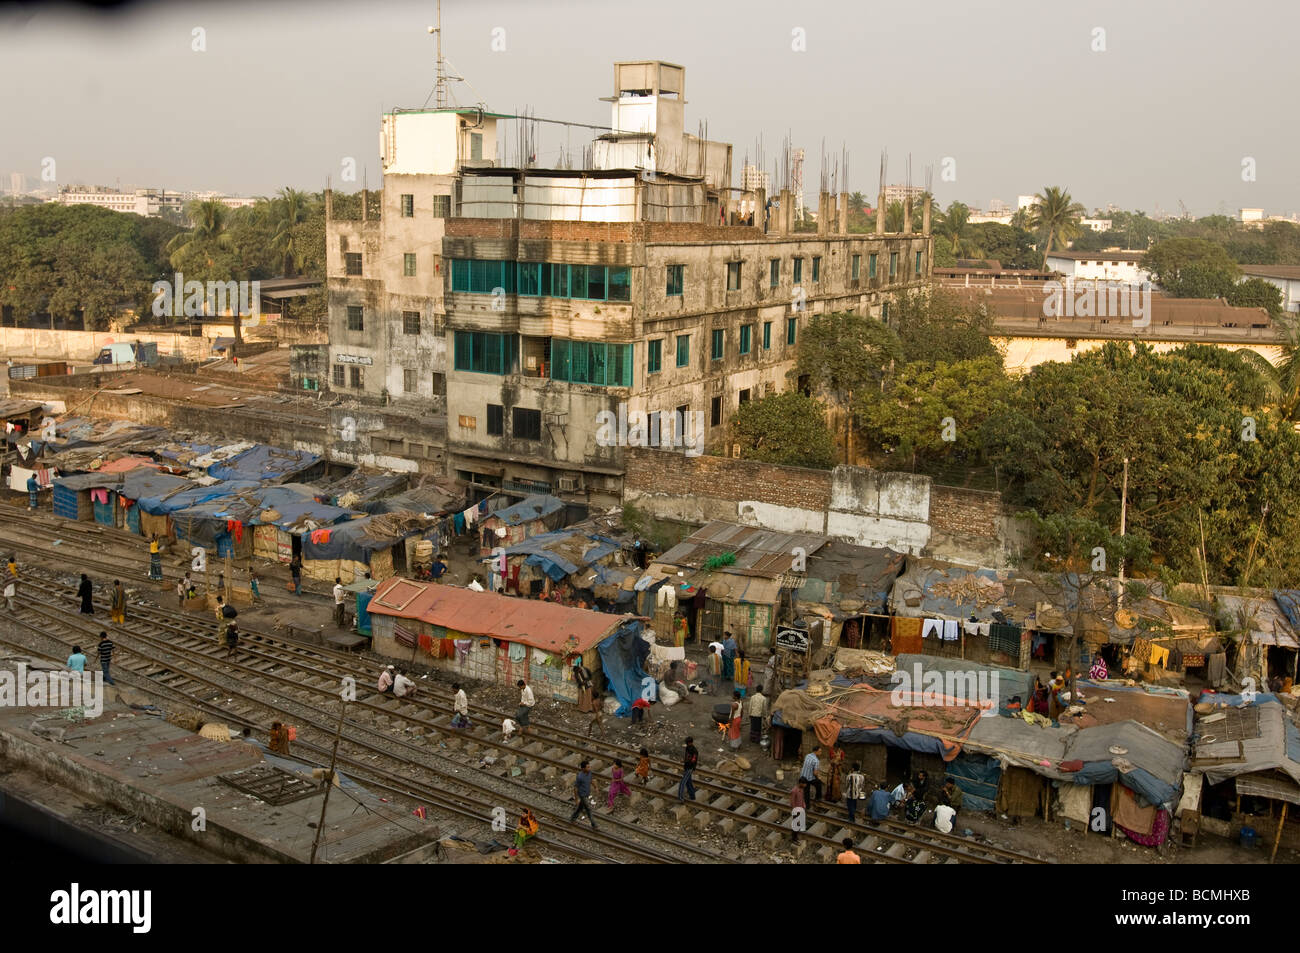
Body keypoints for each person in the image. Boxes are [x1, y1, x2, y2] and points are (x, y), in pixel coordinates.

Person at [569, 760, 597, 829]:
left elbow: (591, 780)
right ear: (583, 768)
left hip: (587, 793)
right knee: (588, 809)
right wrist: (576, 799)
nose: (589, 768)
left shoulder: (589, 773)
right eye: (587, 767)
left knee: (580, 808)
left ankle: (572, 819)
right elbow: (575, 788)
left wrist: (595, 787)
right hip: (582, 795)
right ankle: (594, 824)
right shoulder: (580, 777)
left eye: (589, 767)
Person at [677, 736, 698, 802]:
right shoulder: (688, 748)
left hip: (689, 768)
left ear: (690, 743)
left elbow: (693, 760)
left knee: (683, 782)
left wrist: (689, 764)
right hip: (686, 767)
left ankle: (680, 797)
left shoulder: (694, 751)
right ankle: (692, 797)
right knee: (688, 782)